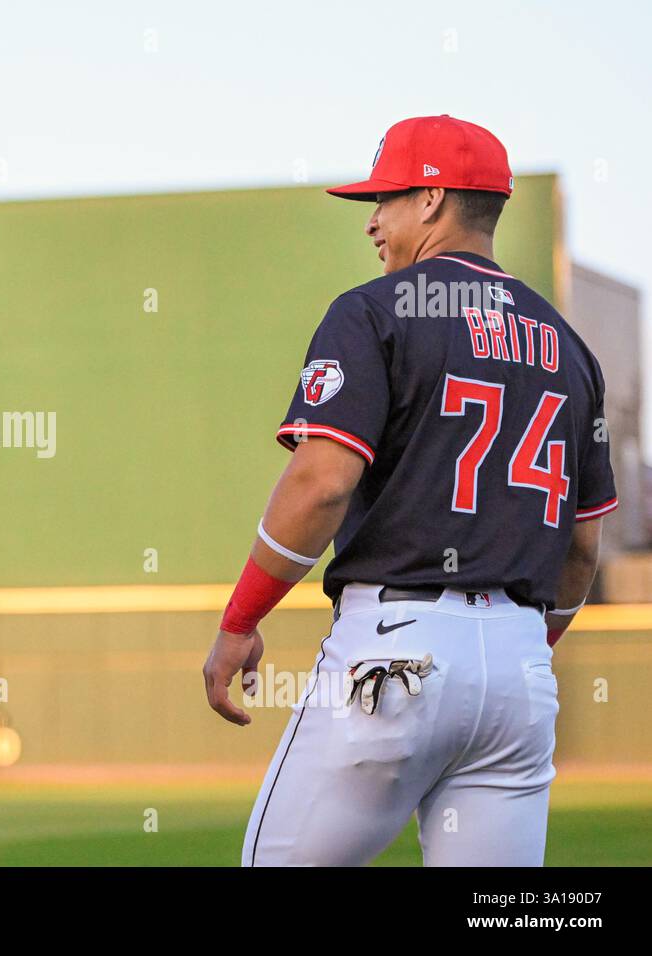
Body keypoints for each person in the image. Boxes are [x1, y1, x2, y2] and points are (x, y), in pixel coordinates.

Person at [201, 116, 617, 866]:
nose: (372, 221)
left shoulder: (374, 310)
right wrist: (516, 650)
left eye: (386, 199)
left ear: (431, 198)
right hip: (523, 671)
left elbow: (322, 483)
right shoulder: (570, 347)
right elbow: (584, 546)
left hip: (397, 649)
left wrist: (239, 621)